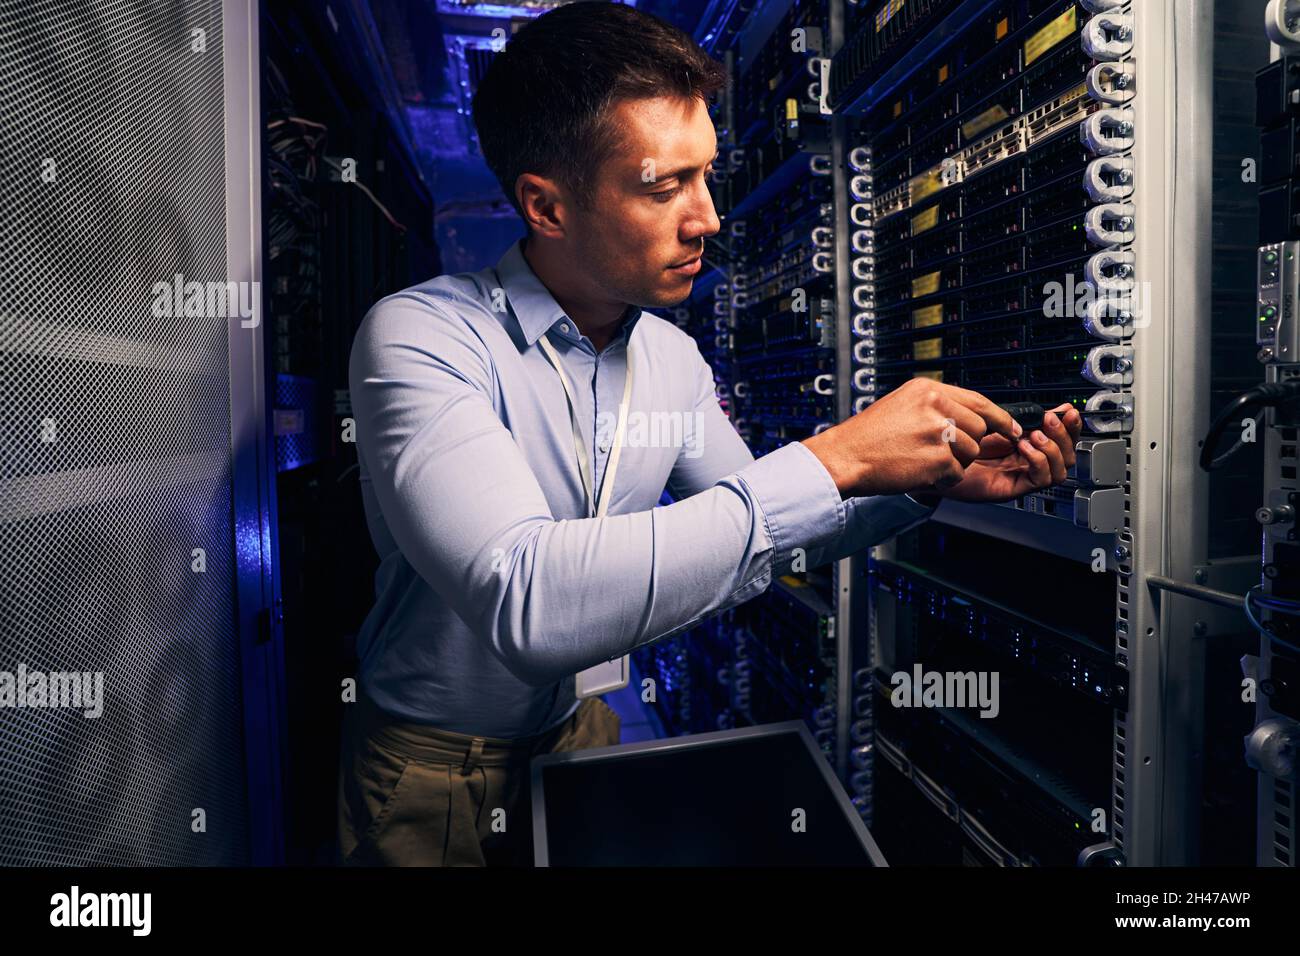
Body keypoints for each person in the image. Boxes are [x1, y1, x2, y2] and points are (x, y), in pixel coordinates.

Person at [337, 1, 1082, 866]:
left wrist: (923, 483)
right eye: (663, 187)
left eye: (707, 176)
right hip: (431, 766)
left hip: (579, 729)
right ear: (546, 206)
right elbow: (524, 601)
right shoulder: (422, 337)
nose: (710, 219)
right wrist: (835, 455)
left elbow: (780, 534)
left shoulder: (670, 359)